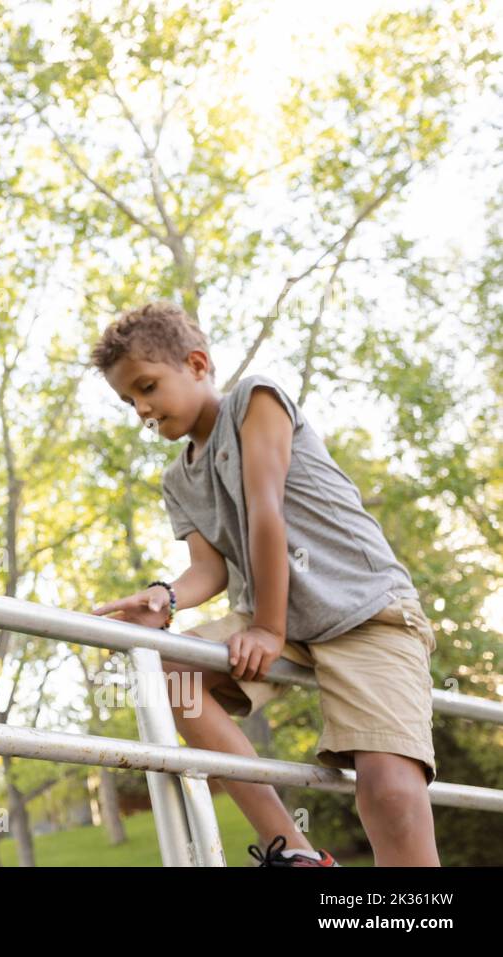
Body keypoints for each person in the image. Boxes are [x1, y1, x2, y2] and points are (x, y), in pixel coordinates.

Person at [88, 300, 439, 867]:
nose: (141, 409)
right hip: (272, 621)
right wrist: (166, 597)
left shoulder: (257, 400)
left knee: (390, 791)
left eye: (148, 387)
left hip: (363, 610)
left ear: (197, 364)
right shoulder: (178, 478)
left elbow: (265, 510)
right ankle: (295, 855)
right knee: (171, 670)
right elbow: (210, 569)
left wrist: (270, 629)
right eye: (129, 400)